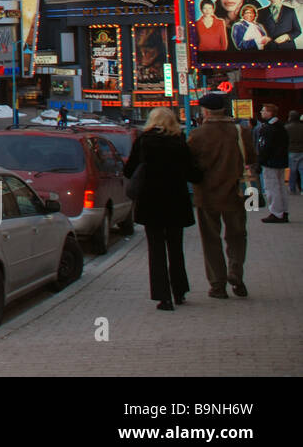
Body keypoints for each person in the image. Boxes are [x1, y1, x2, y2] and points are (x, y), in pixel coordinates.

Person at [123, 107, 202, 311]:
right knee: (176, 248)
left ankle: (163, 296)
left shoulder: (143, 141)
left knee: (156, 250)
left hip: (151, 202)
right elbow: (192, 173)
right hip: (176, 200)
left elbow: (129, 170)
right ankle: (179, 291)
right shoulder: (179, 141)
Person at [187, 93, 256, 298]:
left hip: (207, 195)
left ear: (205, 111)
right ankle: (236, 272)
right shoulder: (240, 132)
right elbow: (251, 157)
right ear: (224, 110)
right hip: (236, 193)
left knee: (211, 239)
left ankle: (217, 284)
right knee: (237, 236)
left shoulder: (198, 135)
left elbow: (189, 164)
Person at [256, 103, 290, 223]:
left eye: (263, 111)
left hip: (270, 162)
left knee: (271, 187)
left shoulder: (267, 128)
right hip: (281, 161)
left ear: (270, 113)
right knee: (281, 187)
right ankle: (283, 211)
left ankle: (276, 212)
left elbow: (264, 147)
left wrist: (260, 161)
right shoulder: (281, 126)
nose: (261, 112)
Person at [287, 109, 303, 196]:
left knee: (293, 171)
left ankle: (292, 188)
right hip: (302, 151)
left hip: (292, 151)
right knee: (302, 170)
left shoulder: (287, 128)